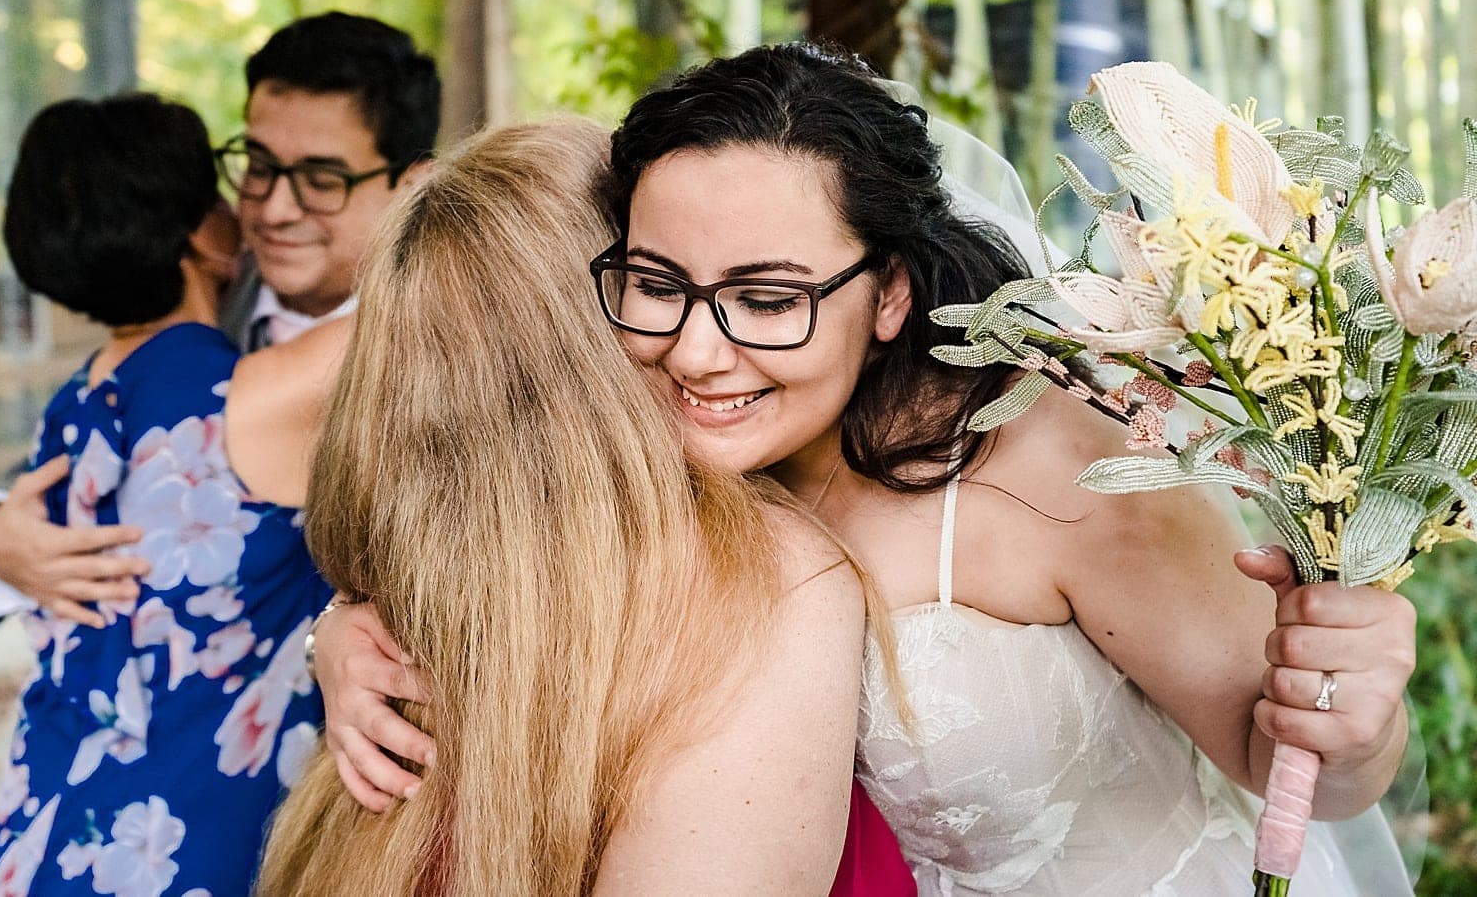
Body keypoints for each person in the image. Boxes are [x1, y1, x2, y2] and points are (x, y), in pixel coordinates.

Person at [315, 44, 1419, 895]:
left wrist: (1352, 716)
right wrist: (354, 627)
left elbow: (1297, 769)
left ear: (887, 291)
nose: (698, 351)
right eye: (659, 282)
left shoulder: (1051, 461)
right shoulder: (671, 461)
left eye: (768, 297)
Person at [257, 119, 868, 895]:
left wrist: (333, 629)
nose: (702, 341)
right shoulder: (764, 575)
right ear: (593, 336)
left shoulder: (426, 567)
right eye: (659, 285)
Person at [0, 94, 347, 895]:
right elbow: (461, 296)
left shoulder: (70, 411)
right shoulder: (255, 398)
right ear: (201, 231)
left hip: (30, 834)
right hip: (176, 845)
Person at [0, 11, 439, 629]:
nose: (273, 207)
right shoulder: (185, 306)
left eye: (323, 180)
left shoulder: (450, 349)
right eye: (260, 165)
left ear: (413, 186)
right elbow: (61, 468)